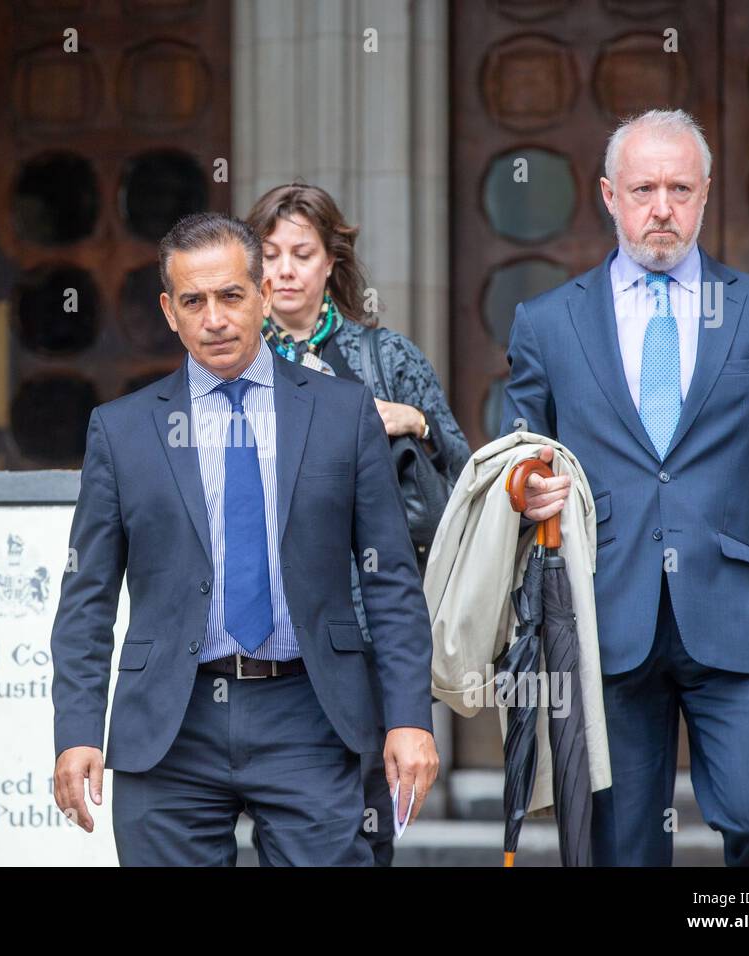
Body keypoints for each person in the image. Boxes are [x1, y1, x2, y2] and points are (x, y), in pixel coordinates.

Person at [502, 109, 749, 866]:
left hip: (744, 614)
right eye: (643, 189)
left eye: (679, 189)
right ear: (607, 195)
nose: (661, 207)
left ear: (705, 195)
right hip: (603, 619)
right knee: (622, 848)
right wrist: (523, 492)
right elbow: (515, 459)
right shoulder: (548, 323)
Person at [50, 212, 439, 866]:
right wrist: (77, 730)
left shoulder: (342, 413)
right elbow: (85, 595)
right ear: (169, 312)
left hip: (310, 714)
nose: (215, 319)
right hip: (170, 727)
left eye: (231, 296)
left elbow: (391, 581)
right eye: (194, 302)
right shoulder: (121, 432)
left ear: (262, 294)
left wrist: (408, 718)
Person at [245, 183, 470, 864]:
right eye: (270, 253)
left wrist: (414, 420)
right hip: (263, 631)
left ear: (329, 266)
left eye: (302, 254)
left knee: (363, 832)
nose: (284, 270)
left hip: (364, 629)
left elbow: (464, 473)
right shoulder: (229, 355)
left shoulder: (385, 357)